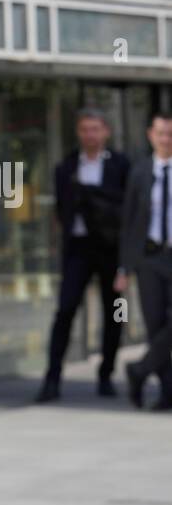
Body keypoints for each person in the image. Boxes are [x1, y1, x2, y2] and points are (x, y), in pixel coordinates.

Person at [36, 109, 130, 402]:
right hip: (77, 247)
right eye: (84, 129)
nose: (90, 134)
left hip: (110, 249)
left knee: (114, 313)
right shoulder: (66, 166)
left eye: (95, 129)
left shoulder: (120, 165)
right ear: (78, 132)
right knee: (65, 311)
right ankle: (52, 378)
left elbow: (128, 211)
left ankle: (106, 375)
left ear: (106, 132)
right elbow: (60, 210)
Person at [117, 112, 172, 410]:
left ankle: (139, 371)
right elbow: (129, 222)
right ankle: (167, 393)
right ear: (151, 135)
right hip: (149, 258)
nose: (166, 139)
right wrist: (124, 267)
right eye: (161, 133)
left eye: (170, 134)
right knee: (155, 325)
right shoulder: (139, 172)